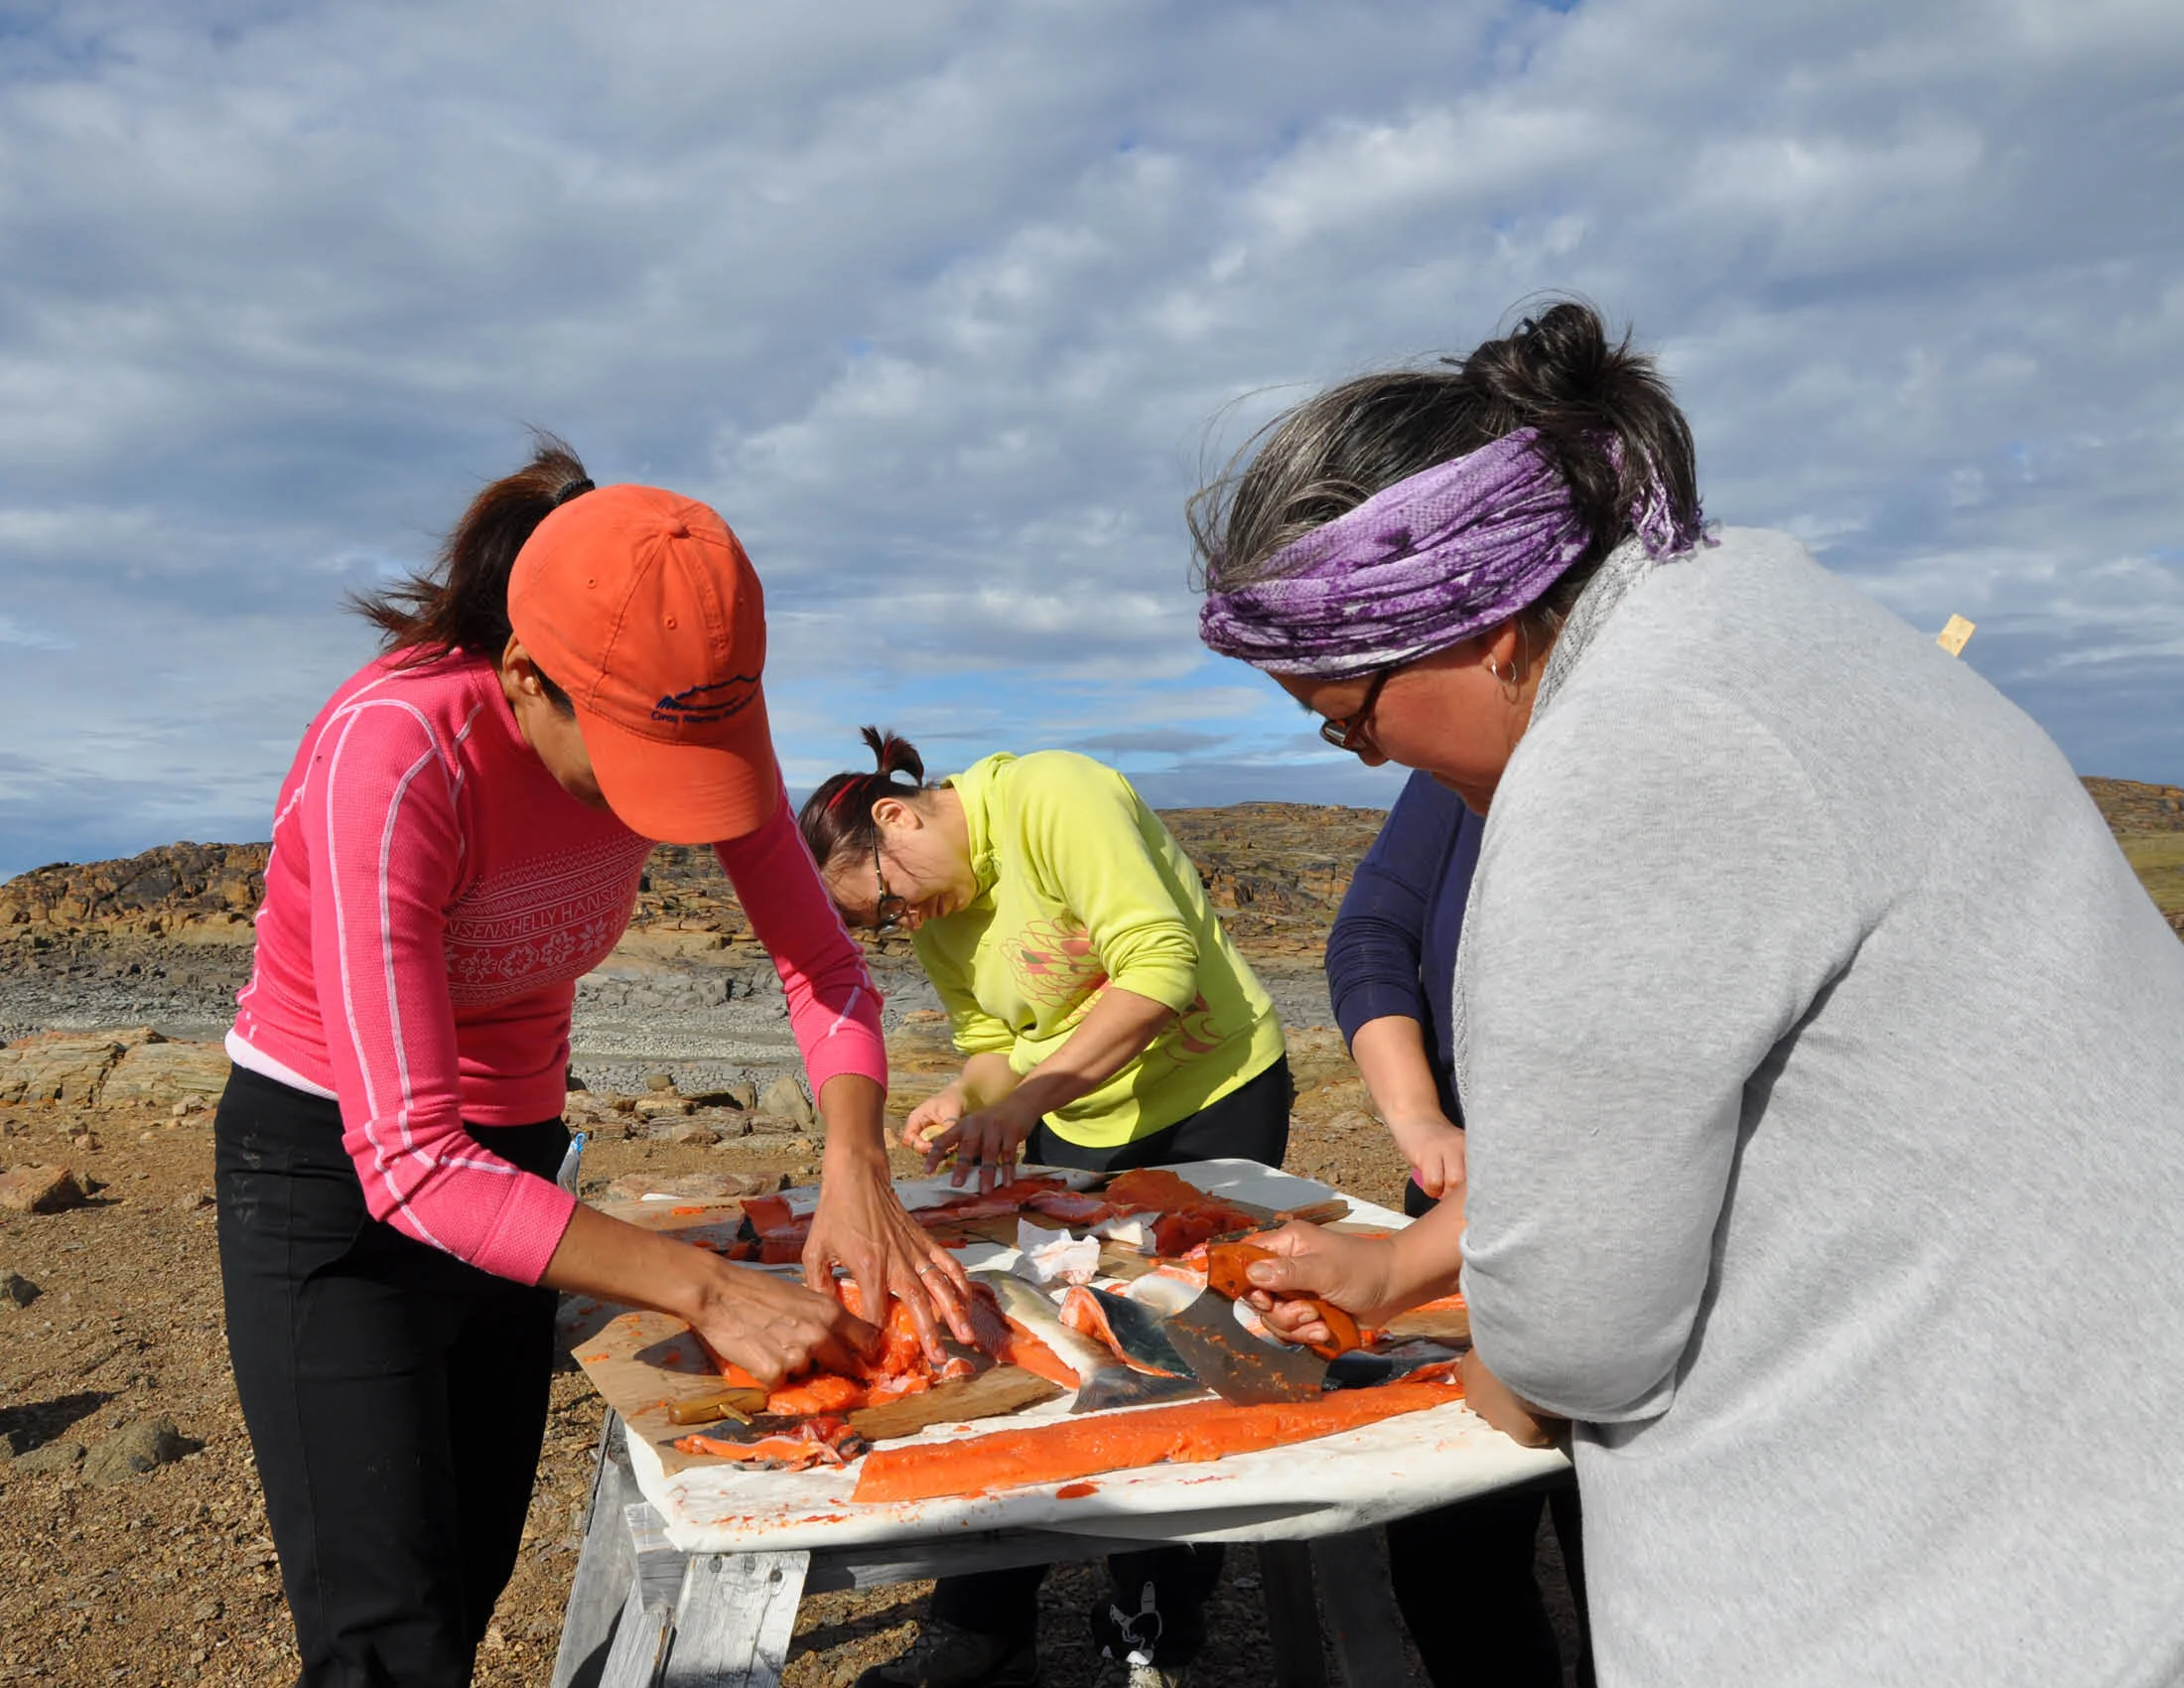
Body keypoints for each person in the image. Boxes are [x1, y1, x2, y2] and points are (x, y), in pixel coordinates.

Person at [1191, 302, 2184, 1686]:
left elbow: (1583, 1328)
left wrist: (1508, 1364)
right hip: (2103, 1478)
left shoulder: (1629, 752)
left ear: (1480, 623)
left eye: (1347, 717)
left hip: (1941, 1582)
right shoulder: (1766, 621)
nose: (1362, 764)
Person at [215, 440, 976, 1688]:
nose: (648, 815)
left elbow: (825, 970)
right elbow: (406, 1160)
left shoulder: (696, 693)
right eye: (627, 774)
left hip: (510, 1159)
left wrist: (856, 1167)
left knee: (466, 1577)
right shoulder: (394, 752)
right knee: (385, 1639)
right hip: (329, 1180)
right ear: (524, 676)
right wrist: (712, 1291)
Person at [798, 731, 1292, 1688]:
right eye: (881, 925)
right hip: (1079, 1114)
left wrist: (1025, 1101)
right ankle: (981, 1626)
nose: (904, 923)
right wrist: (969, 1097)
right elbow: (993, 1043)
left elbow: (1160, 965)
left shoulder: (1053, 795)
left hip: (1211, 1091)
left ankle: (1154, 1613)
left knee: (1183, 1338)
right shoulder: (941, 916)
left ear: (897, 818)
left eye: (889, 902)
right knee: (1025, 1338)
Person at [1325, 771, 1590, 1688]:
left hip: (1628, 1223)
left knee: (1632, 1540)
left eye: (1352, 710)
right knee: (1452, 1546)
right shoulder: (1451, 775)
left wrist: (1398, 1269)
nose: (1358, 746)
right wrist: (1421, 1125)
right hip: (1469, 1193)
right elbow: (1371, 929)